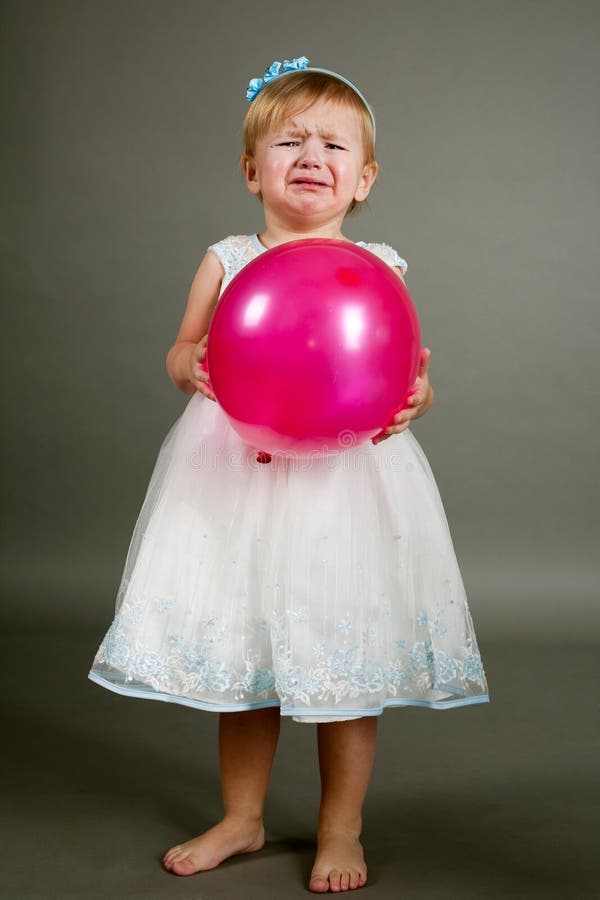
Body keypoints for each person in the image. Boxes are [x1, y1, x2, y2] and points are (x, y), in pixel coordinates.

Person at [88, 56, 489, 893]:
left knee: (351, 659)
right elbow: (179, 348)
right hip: (238, 471)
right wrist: (190, 364)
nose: (312, 156)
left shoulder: (379, 264)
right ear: (251, 170)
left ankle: (343, 828)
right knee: (248, 658)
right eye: (290, 141)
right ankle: (242, 817)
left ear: (365, 178)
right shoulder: (228, 257)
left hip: (348, 481)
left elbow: (403, 368)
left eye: (335, 145)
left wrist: (418, 395)